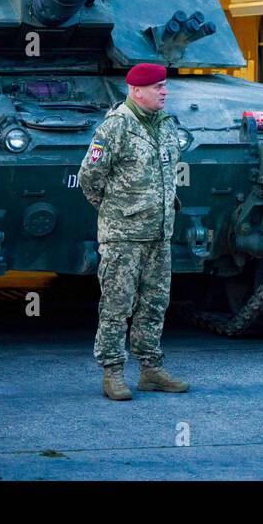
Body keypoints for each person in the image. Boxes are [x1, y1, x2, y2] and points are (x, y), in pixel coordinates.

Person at [79, 63, 188, 402]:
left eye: (165, 86)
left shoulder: (167, 126)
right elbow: (90, 177)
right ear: (137, 91)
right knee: (116, 305)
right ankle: (113, 373)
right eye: (158, 87)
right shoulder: (116, 128)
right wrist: (117, 212)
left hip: (159, 233)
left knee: (155, 303)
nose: (165, 92)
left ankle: (150, 370)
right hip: (123, 234)